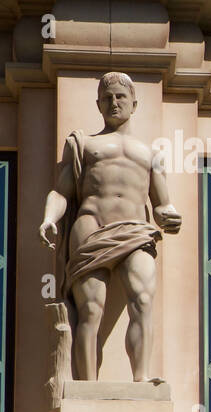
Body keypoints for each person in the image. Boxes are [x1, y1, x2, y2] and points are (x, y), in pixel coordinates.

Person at [39, 72, 182, 381]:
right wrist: (50, 218)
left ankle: (141, 378)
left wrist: (170, 217)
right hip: (91, 224)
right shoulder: (85, 144)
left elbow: (161, 204)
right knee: (90, 309)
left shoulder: (151, 153)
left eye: (120, 97)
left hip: (135, 230)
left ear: (134, 104)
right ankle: (87, 385)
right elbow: (62, 191)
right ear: (98, 104)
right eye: (107, 98)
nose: (113, 102)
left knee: (143, 300)